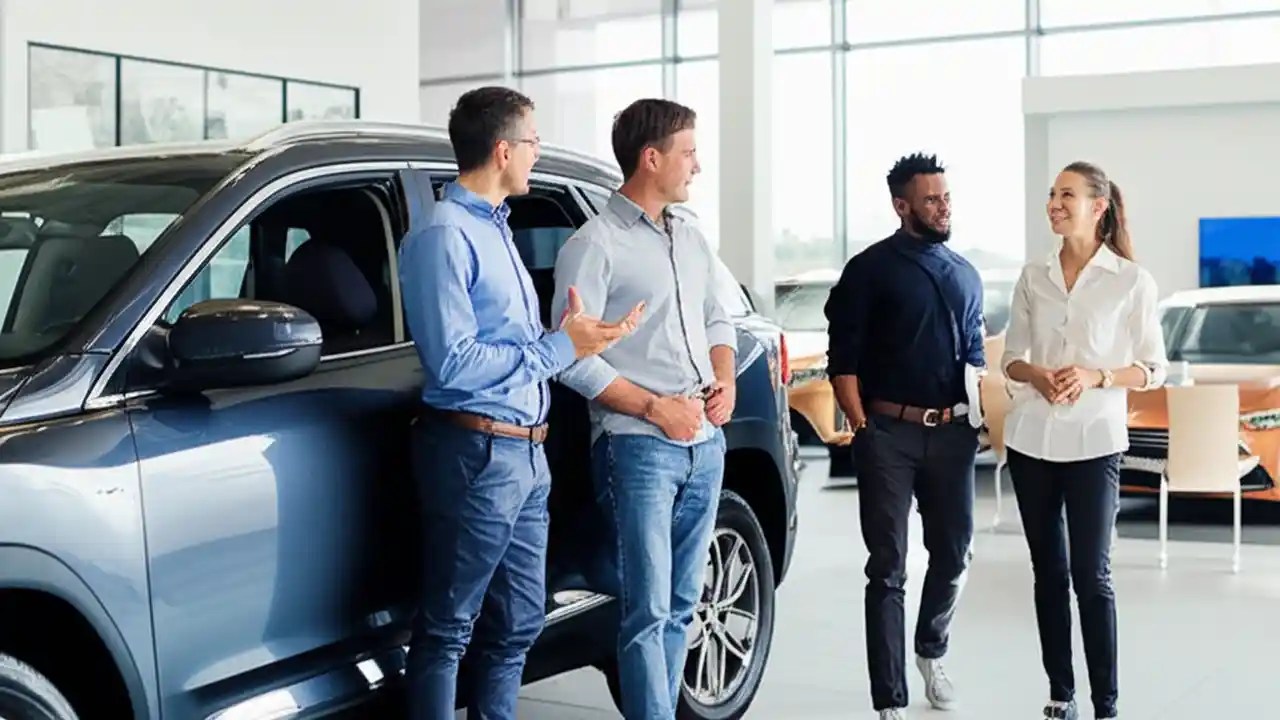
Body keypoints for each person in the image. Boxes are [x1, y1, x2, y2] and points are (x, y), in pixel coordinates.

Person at [398, 85, 643, 720]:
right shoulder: (444, 236)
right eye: (533, 142)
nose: (538, 153)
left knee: (517, 626)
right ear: (503, 150)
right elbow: (455, 363)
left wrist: (580, 340)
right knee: (449, 627)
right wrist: (561, 347)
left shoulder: (496, 228)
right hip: (475, 451)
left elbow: (517, 344)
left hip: (526, 454)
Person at [551, 98, 736, 720]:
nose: (697, 166)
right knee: (647, 610)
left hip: (705, 443)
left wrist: (725, 379)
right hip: (637, 447)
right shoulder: (593, 245)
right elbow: (571, 358)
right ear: (651, 158)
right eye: (689, 153)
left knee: (683, 604)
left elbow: (717, 318)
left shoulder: (691, 236)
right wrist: (657, 409)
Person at [1000, 161, 1167, 720]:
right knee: (1047, 573)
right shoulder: (1033, 276)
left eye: (1066, 195)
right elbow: (1011, 358)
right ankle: (1060, 694)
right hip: (1031, 440)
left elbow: (1153, 368)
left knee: (1091, 577)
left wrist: (1097, 375)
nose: (1054, 203)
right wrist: (1036, 373)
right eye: (1052, 194)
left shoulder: (1132, 281)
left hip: (1095, 443)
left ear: (1098, 207)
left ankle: (1106, 706)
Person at [824, 152, 984, 720]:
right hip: (887, 433)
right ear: (902, 206)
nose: (943, 208)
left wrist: (980, 419)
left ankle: (930, 650)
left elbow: (976, 359)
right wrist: (864, 429)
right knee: (888, 565)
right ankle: (889, 698)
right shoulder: (868, 270)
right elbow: (842, 362)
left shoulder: (965, 274)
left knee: (955, 553)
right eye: (931, 200)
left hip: (954, 435)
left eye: (946, 198)